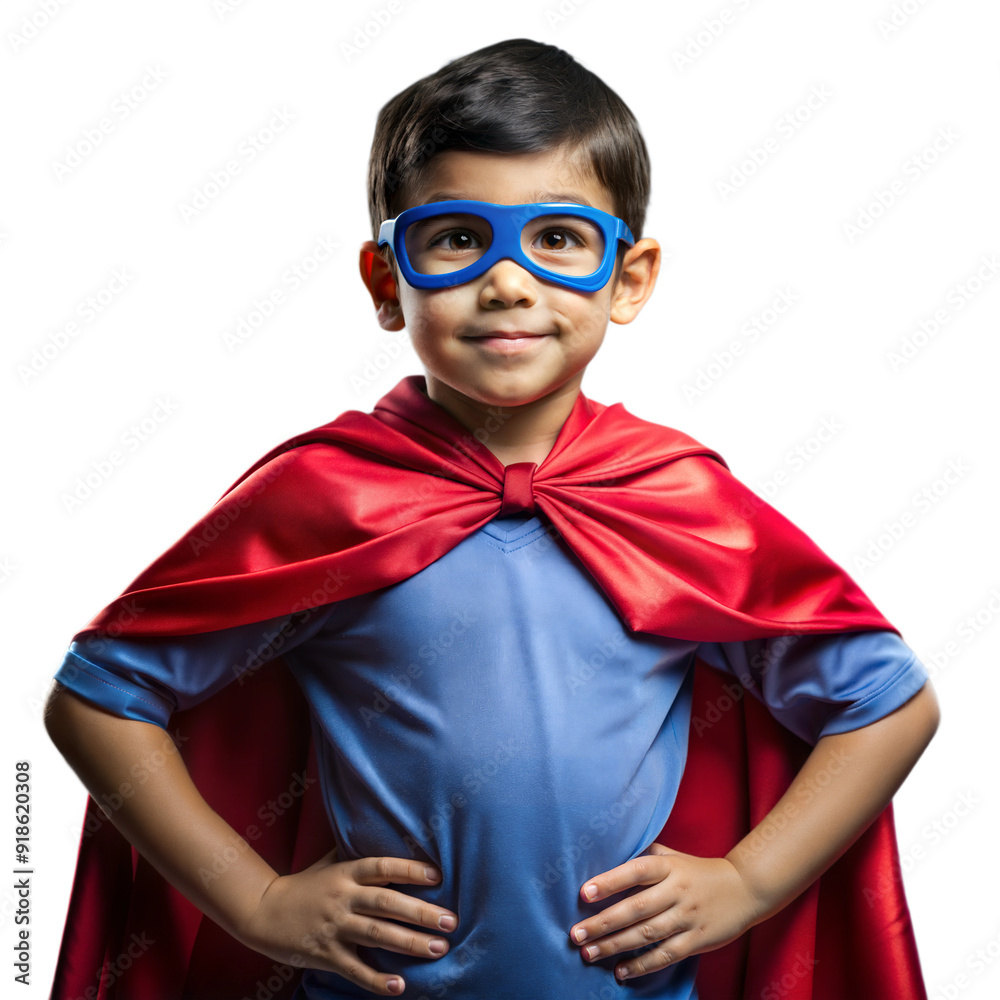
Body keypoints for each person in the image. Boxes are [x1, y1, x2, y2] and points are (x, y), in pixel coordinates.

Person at [45, 38, 939, 1000]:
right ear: (388, 279)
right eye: (459, 236)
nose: (509, 280)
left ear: (628, 277)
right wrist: (256, 902)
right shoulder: (325, 497)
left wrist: (749, 880)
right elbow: (100, 698)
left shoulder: (676, 497)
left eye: (557, 237)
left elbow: (885, 704)